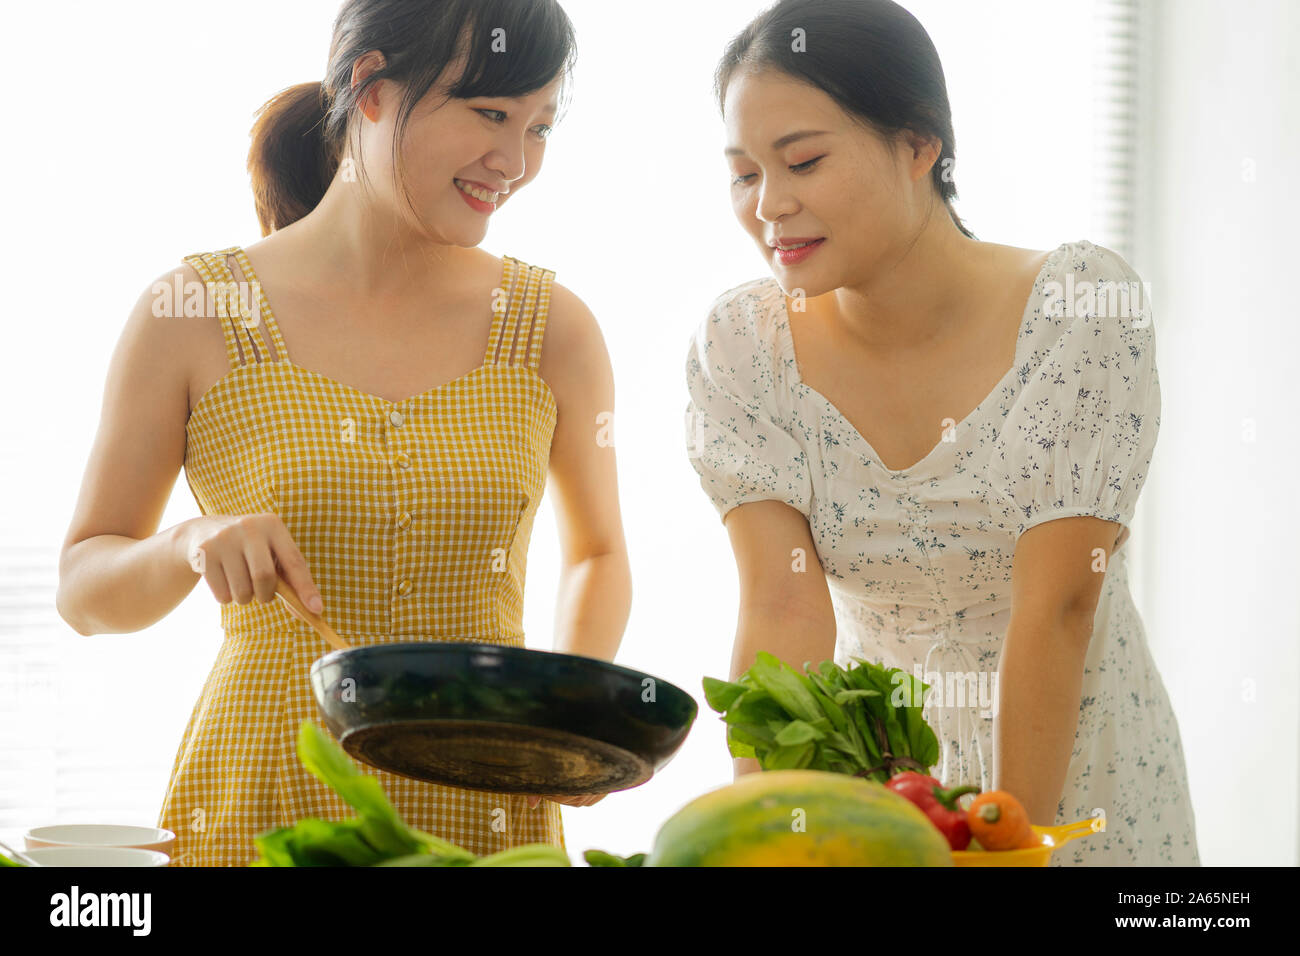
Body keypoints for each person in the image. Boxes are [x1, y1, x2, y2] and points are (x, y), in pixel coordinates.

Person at [55, 0, 631, 866]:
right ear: (369, 86)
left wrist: (566, 729)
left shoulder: (553, 326)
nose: (514, 162)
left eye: (540, 126)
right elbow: (83, 589)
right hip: (260, 802)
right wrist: (189, 541)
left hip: (484, 808)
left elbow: (597, 553)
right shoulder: (194, 310)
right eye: (490, 113)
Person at [683, 0, 1197, 866]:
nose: (770, 204)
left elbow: (1060, 606)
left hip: (1078, 781)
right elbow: (781, 605)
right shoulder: (746, 347)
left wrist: (1000, 841)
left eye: (802, 159)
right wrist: (767, 827)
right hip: (885, 797)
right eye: (743, 174)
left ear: (920, 144)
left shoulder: (1078, 309)